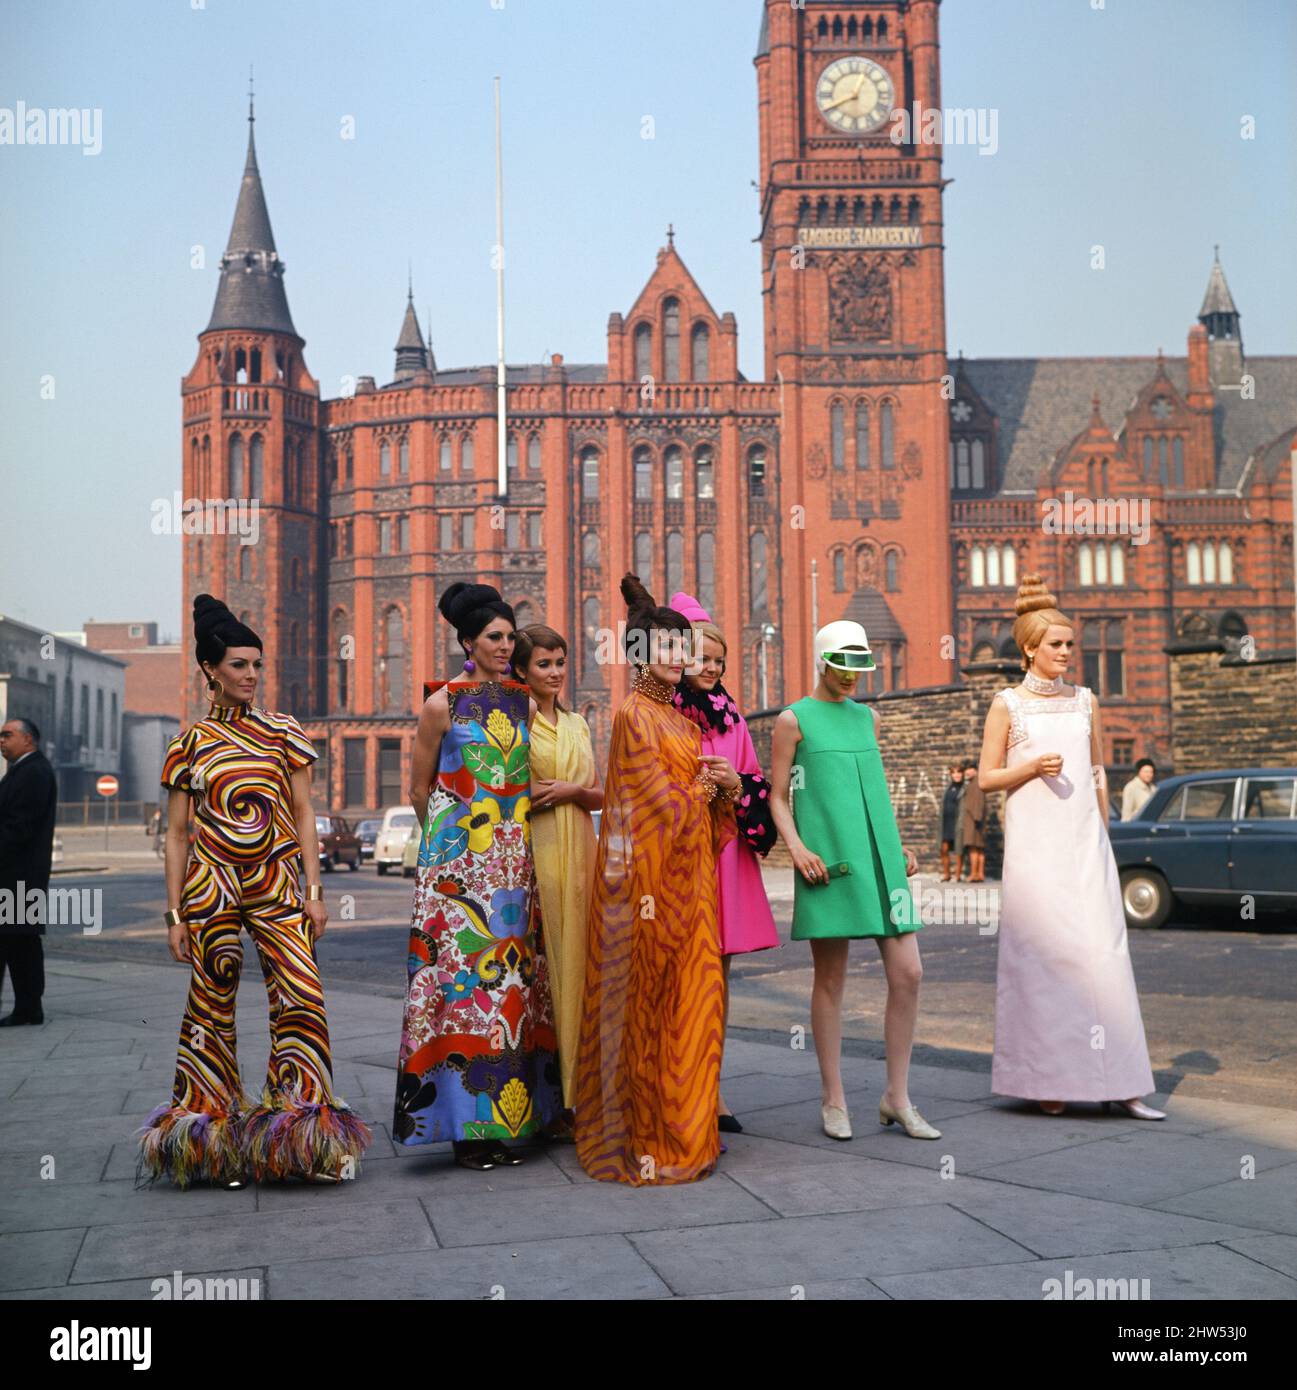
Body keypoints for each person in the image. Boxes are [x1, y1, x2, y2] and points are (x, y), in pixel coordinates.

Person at [139, 596, 371, 1189]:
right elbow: (176, 835)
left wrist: (315, 892)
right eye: (239, 664)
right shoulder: (188, 744)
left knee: (301, 1000)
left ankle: (304, 1138)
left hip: (277, 885)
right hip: (209, 889)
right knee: (210, 1013)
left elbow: (303, 812)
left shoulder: (284, 732)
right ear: (211, 669)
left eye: (257, 665)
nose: (251, 675)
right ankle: (212, 1143)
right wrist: (174, 915)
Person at [573, 574, 741, 1185]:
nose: (679, 659)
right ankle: (650, 1135)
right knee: (652, 1010)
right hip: (646, 894)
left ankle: (692, 1132)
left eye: (683, 649)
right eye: (666, 649)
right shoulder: (632, 718)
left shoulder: (686, 725)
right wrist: (706, 786)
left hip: (693, 888)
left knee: (700, 1005)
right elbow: (652, 809)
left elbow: (701, 813)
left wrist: (728, 787)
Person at [977, 575, 1164, 1120]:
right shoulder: (1006, 704)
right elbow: (987, 778)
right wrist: (1032, 766)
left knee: (1103, 958)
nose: (1066, 652)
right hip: (1035, 852)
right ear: (1030, 649)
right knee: (1043, 961)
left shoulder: (1086, 701)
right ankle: (1046, 1081)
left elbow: (1101, 771)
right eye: (1056, 644)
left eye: (1069, 644)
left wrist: (1104, 836)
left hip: (1085, 846)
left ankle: (1126, 1083)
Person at [395, 583, 562, 1171]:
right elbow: (419, 790)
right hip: (460, 873)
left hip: (517, 870)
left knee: (515, 993)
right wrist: (451, 849)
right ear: (467, 641)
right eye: (494, 636)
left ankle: (525, 1118)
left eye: (510, 636)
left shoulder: (524, 702)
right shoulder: (439, 704)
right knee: (463, 996)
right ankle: (467, 1131)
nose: (505, 645)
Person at [769, 621, 940, 1142]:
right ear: (822, 660)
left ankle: (897, 1096)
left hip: (882, 860)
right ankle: (833, 1098)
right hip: (826, 862)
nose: (851, 678)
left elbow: (871, 792)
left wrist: (897, 846)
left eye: (857, 668)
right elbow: (778, 795)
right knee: (831, 979)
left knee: (908, 971)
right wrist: (797, 849)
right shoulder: (792, 720)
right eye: (841, 667)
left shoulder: (871, 719)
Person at [669, 591, 779, 1133]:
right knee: (685, 974)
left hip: (728, 850)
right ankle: (682, 1085)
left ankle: (713, 1085)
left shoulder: (732, 712)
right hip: (687, 854)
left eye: (718, 659)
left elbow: (756, 777)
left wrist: (737, 787)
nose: (711, 667)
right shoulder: (664, 710)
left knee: (720, 976)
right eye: (701, 658)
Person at [513, 623, 603, 1129]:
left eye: (560, 663)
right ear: (523, 670)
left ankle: (579, 1096)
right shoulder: (517, 722)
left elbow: (598, 792)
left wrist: (570, 790)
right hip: (536, 850)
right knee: (544, 972)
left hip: (580, 851)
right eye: (544, 664)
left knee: (580, 968)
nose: (555, 673)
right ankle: (544, 1099)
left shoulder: (578, 725)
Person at [0, 718, 58, 1026]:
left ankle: (29, 1008)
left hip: (17, 877)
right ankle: (28, 1007)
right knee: (20, 944)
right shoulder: (24, 770)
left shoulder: (32, 771)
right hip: (18, 877)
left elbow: (18, 828)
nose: (1, 740)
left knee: (21, 944)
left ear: (28, 740)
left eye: (8, 735)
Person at [961, 758, 986, 882]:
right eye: (966, 769)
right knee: (979, 848)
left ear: (976, 770)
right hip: (977, 818)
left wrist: (976, 818)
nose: (968, 772)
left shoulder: (975, 784)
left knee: (973, 848)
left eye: (970, 769)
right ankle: (980, 874)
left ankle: (974, 874)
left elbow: (977, 802)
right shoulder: (975, 782)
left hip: (973, 819)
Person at [939, 763, 963, 882]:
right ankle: (946, 874)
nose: (956, 775)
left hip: (957, 823)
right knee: (943, 849)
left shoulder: (964, 788)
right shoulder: (949, 787)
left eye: (959, 772)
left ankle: (957, 875)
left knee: (958, 850)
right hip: (946, 823)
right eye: (954, 772)